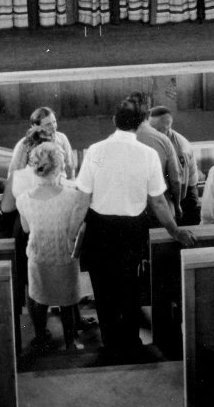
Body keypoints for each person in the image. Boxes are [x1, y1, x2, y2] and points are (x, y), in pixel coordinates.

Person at [76, 97, 195, 359]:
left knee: (103, 289)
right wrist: (175, 231)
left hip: (99, 227)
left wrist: (71, 233)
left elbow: (82, 198)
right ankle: (131, 342)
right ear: (141, 122)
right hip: (132, 229)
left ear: (114, 121)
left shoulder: (95, 152)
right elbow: (159, 201)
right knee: (130, 286)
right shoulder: (147, 155)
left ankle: (110, 343)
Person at [2, 140, 90, 351]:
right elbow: (76, 224)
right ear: (60, 166)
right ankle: (70, 343)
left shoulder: (23, 198)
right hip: (65, 256)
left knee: (39, 300)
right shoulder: (72, 195)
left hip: (39, 257)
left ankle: (41, 337)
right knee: (67, 303)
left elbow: (25, 228)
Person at [147, 106, 201, 224]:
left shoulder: (180, 148)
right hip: (168, 186)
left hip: (186, 191)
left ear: (166, 128)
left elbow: (178, 183)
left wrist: (177, 206)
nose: (151, 133)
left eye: (156, 130)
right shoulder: (153, 138)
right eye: (150, 128)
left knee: (182, 222)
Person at [8, 107, 74, 178]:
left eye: (54, 122)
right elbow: (14, 174)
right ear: (36, 126)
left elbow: (70, 165)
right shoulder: (24, 144)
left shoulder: (62, 138)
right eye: (48, 124)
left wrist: (70, 184)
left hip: (60, 184)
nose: (53, 127)